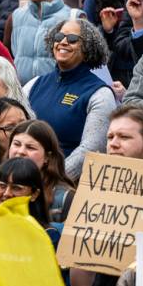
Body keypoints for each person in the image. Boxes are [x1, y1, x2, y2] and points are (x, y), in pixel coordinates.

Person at [25, 17, 113, 178]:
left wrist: (52, 180)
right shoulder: (34, 84)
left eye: (72, 39)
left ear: (87, 47)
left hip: (65, 185)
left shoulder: (100, 93)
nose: (63, 42)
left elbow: (91, 149)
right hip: (25, 178)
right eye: (59, 37)